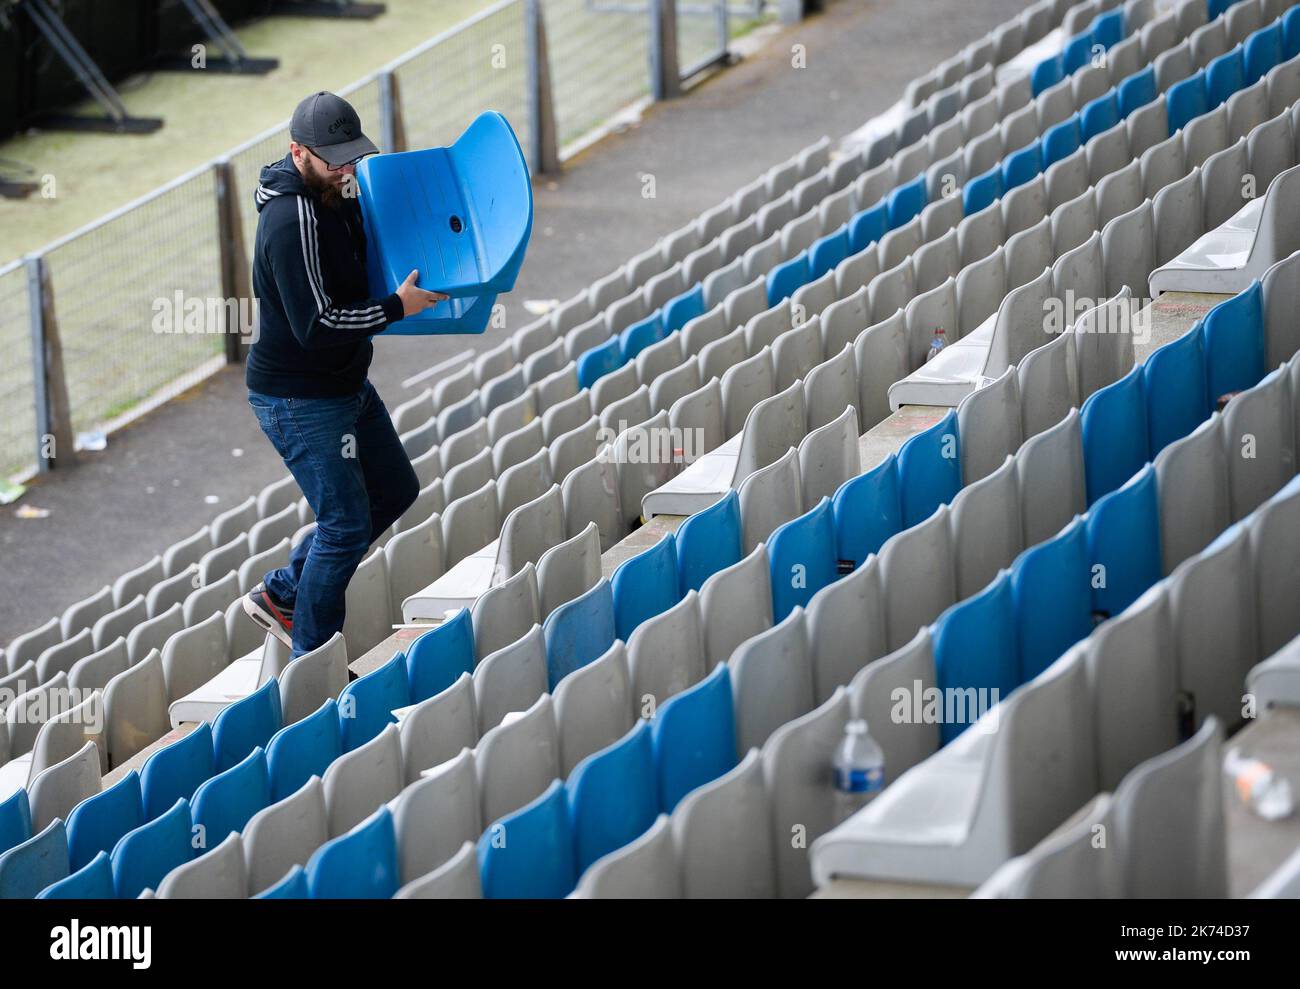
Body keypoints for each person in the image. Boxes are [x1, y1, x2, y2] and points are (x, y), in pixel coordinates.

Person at [242, 91, 444, 658]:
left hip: (345, 384)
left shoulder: (337, 189)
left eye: (351, 156)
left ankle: (286, 591)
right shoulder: (291, 221)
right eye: (333, 159)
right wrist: (396, 307)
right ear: (297, 153)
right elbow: (319, 324)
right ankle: (314, 664)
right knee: (345, 525)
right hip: (299, 397)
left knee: (396, 489)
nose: (346, 168)